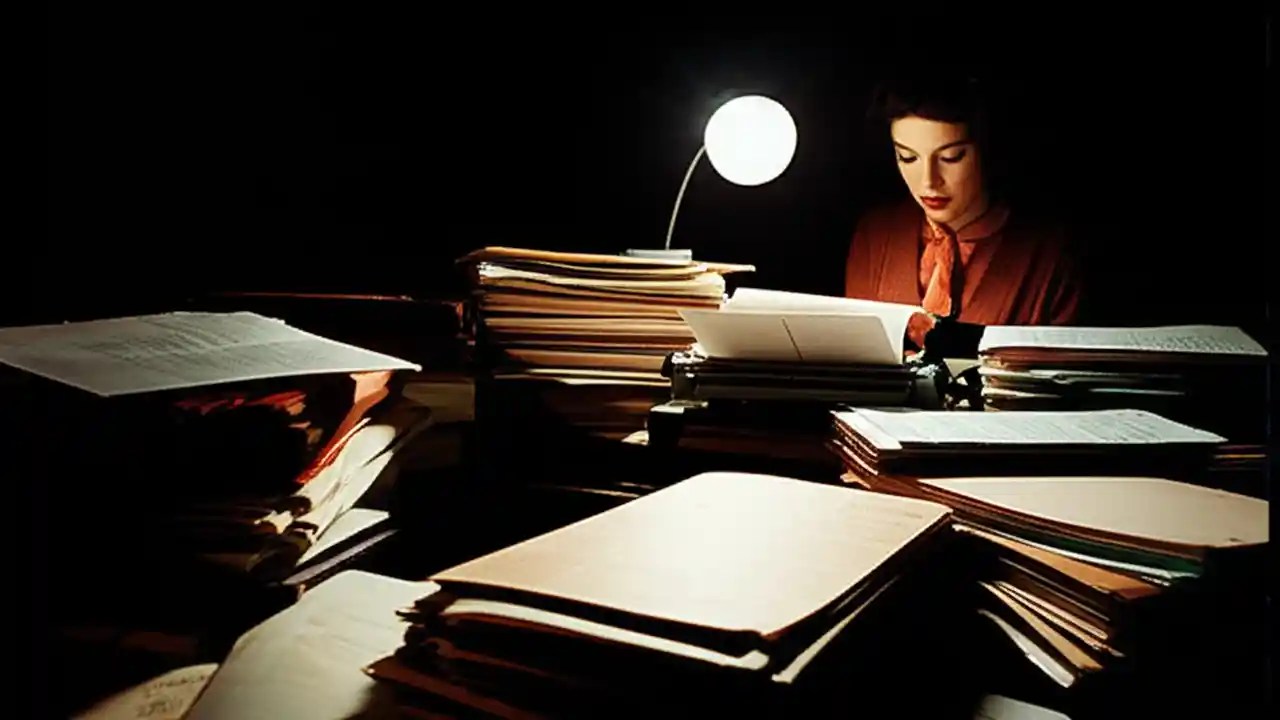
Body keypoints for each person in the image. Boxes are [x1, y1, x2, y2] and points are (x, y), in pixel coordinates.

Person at [845, 73, 1083, 346]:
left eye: (951, 157)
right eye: (908, 157)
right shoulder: (876, 234)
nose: (929, 181)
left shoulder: (1049, 253)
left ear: (986, 149)